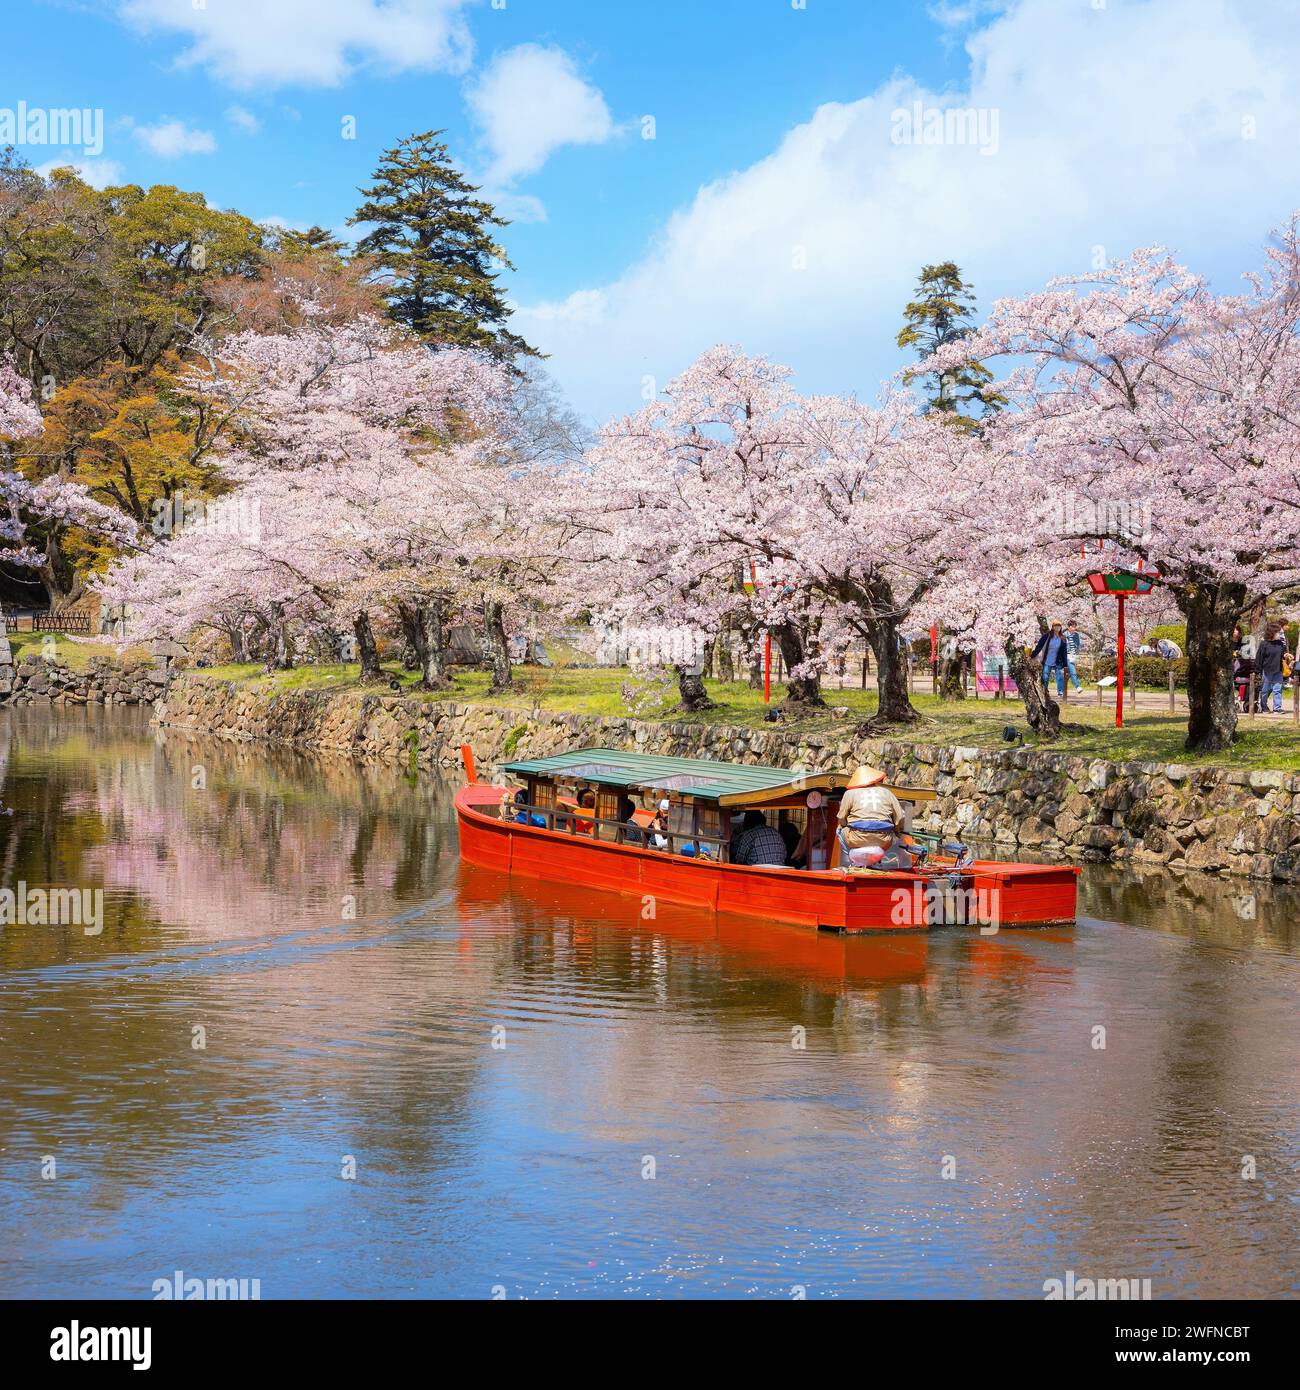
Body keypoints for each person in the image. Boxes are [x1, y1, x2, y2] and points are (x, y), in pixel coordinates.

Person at [837, 764, 906, 866]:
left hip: (856, 838)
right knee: (895, 835)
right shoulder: (887, 793)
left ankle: (852, 862)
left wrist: (844, 825)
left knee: (839, 830)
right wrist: (897, 831)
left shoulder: (850, 793)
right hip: (884, 840)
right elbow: (900, 817)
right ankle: (877, 862)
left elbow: (841, 818)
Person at [1031, 622, 1070, 695]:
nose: (1057, 627)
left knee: (1059, 677)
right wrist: (1032, 655)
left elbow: (1064, 652)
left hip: (1058, 660)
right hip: (1047, 660)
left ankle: (1060, 692)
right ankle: (1045, 691)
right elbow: (1039, 646)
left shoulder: (1063, 638)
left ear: (1061, 627)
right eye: (1056, 625)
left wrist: (1065, 664)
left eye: (1059, 626)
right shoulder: (1047, 636)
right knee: (1045, 677)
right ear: (1052, 627)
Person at [1257, 623, 1287, 713]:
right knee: (1265, 690)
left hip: (1278, 670)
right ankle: (1264, 706)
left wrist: (1286, 655)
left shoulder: (1280, 643)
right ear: (1272, 633)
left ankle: (1277, 708)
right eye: (1278, 632)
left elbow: (1282, 655)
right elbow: (1259, 657)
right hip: (1267, 670)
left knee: (1278, 690)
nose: (1280, 634)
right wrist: (1257, 670)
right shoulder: (1264, 644)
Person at [1063, 620, 1083, 691]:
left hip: (1074, 656)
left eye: (1075, 627)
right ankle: (1077, 686)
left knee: (1068, 673)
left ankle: (1062, 688)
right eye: (1072, 627)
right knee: (1073, 670)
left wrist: (1076, 654)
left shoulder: (1076, 635)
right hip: (1067, 655)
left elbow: (1078, 645)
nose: (1074, 628)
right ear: (1069, 627)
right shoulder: (1064, 635)